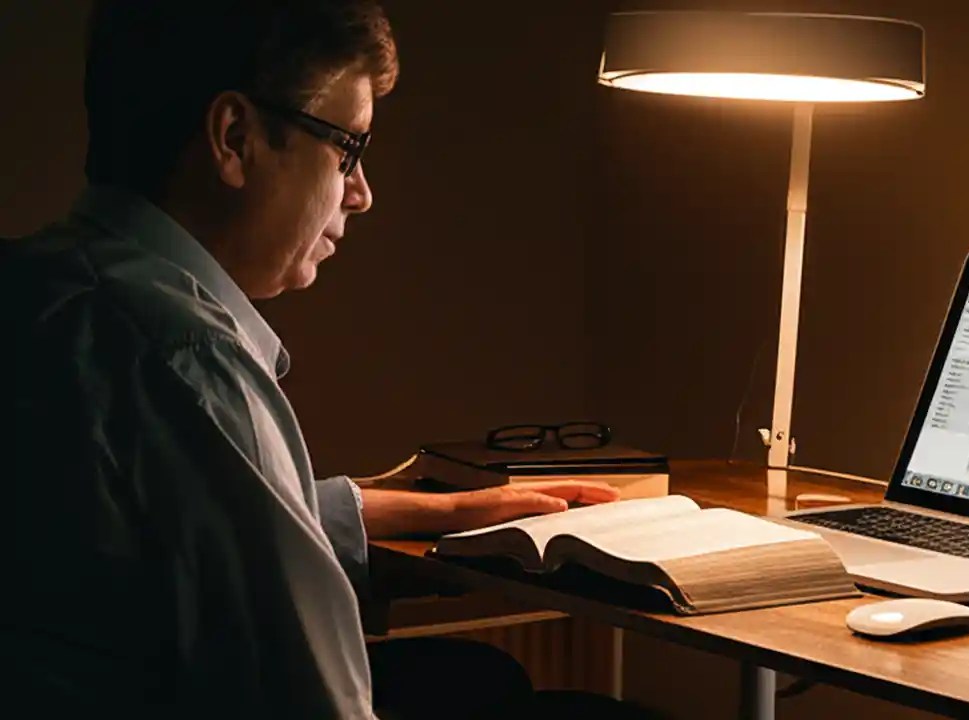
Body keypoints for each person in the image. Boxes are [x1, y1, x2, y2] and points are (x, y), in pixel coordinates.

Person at [0, 1, 640, 718]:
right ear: (234, 137)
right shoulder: (184, 360)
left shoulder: (40, 287)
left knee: (468, 680)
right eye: (348, 149)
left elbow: (166, 531)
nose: (360, 194)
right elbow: (313, 696)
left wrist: (425, 509)